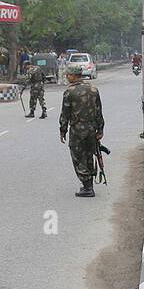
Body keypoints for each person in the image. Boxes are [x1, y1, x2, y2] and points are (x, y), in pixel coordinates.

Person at [59, 62, 104, 197]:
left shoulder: (69, 92)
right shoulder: (94, 90)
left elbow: (65, 113)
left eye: (68, 75)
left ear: (74, 76)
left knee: (78, 157)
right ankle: (89, 185)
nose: (67, 77)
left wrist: (63, 130)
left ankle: (87, 187)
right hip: (91, 129)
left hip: (77, 130)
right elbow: (99, 111)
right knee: (89, 155)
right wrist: (100, 129)